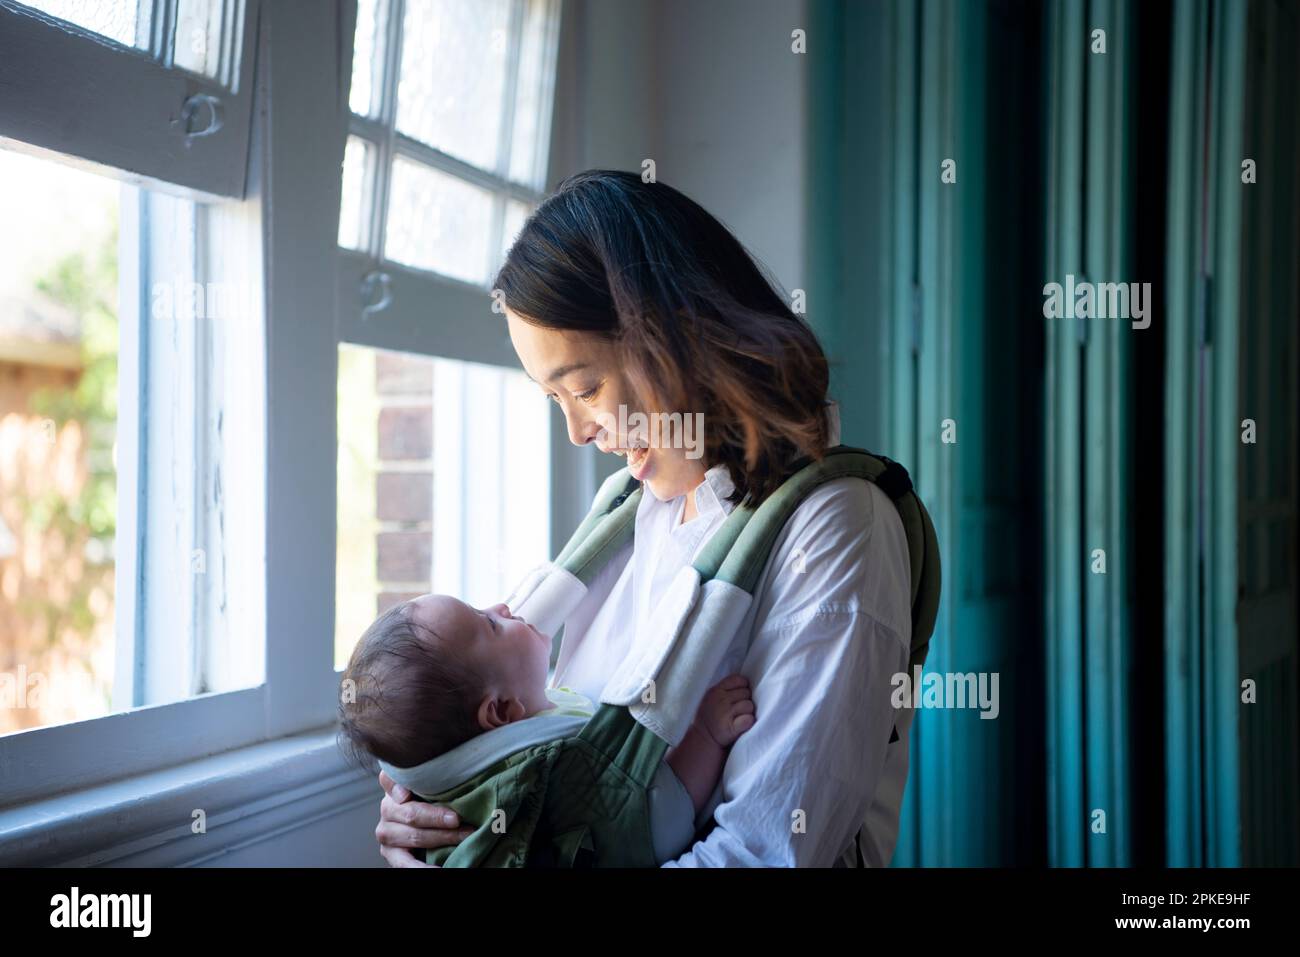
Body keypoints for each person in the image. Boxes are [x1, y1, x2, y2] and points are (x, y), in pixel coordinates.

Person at [374, 170, 915, 867]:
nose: (578, 430)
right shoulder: (628, 517)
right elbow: (546, 753)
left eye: (586, 387)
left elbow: (760, 855)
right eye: (554, 399)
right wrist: (434, 813)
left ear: (678, 334)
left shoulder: (835, 527)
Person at [339, 593, 756, 862]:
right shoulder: (551, 773)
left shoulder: (506, 732)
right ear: (501, 711)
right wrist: (704, 734)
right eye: (490, 624)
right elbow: (653, 820)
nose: (501, 606)